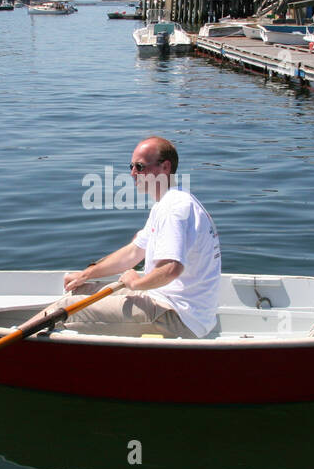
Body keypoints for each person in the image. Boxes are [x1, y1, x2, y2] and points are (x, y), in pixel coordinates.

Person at [39, 137, 221, 338]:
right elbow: (133, 252)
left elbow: (171, 268)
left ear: (165, 167)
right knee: (81, 290)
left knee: (65, 308)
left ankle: (13, 341)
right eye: (132, 166)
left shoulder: (174, 209)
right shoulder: (169, 202)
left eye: (140, 167)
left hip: (178, 316)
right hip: (165, 302)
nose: (133, 173)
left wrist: (136, 284)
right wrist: (86, 274)